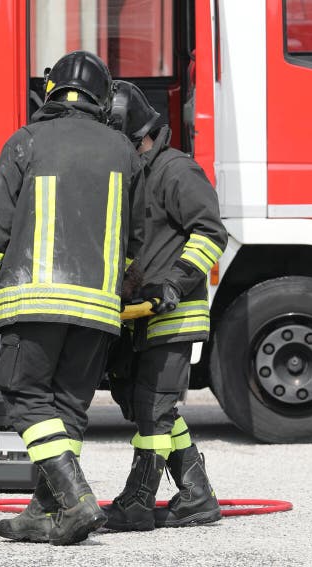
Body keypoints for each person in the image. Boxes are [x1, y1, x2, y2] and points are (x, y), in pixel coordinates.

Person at [0, 51, 141, 545]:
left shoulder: (26, 141)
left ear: (51, 91)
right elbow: (137, 233)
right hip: (98, 310)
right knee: (67, 408)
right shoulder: (123, 150)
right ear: (102, 100)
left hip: (35, 298)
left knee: (25, 399)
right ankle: (44, 512)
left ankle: (76, 498)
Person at [103, 80, 227, 531]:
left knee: (153, 408)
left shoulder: (176, 170)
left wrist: (175, 282)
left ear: (142, 137)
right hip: (142, 313)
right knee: (143, 406)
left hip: (175, 310)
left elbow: (212, 232)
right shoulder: (135, 174)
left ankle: (138, 500)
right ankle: (197, 495)